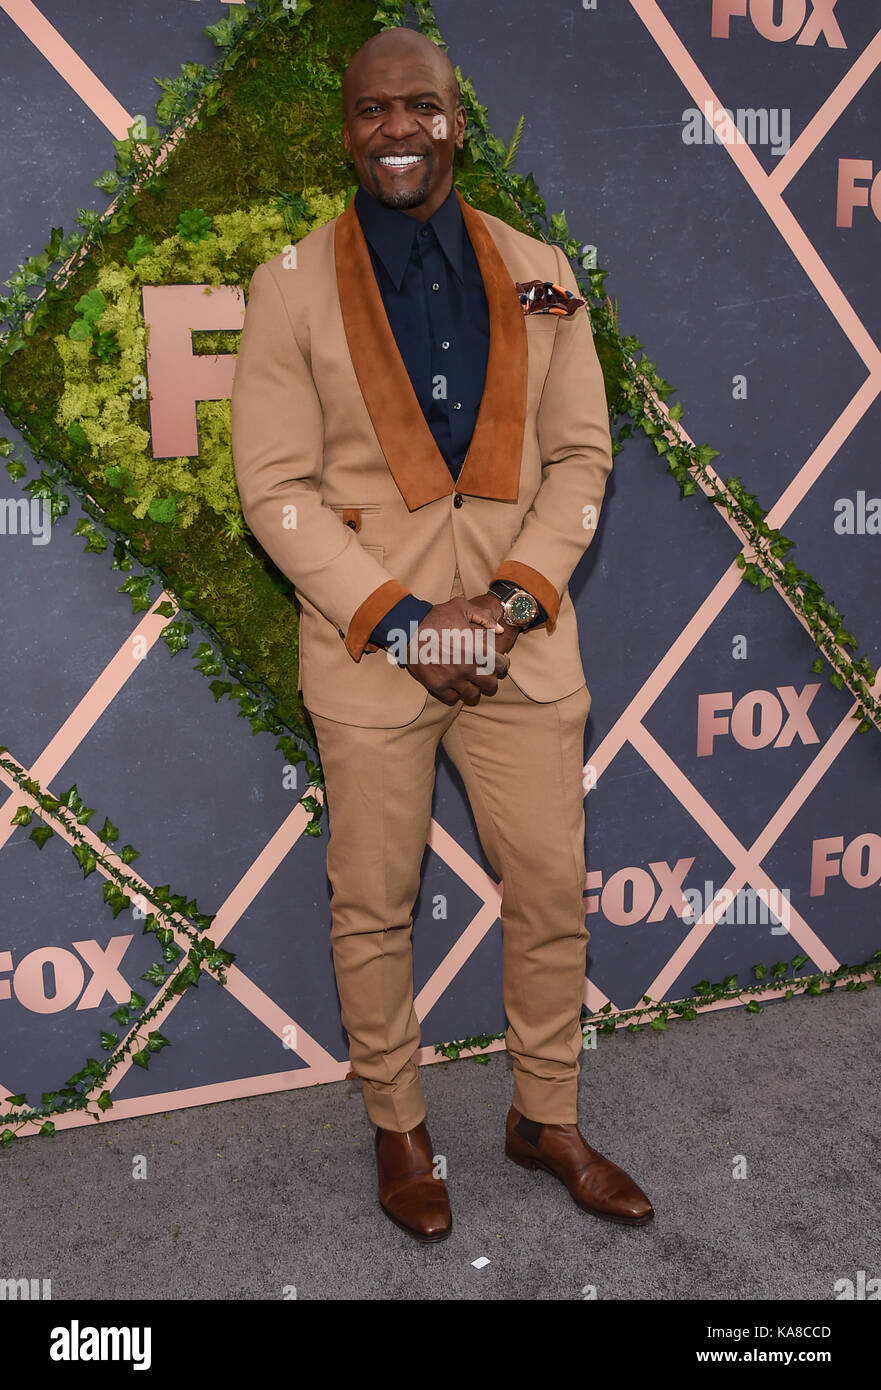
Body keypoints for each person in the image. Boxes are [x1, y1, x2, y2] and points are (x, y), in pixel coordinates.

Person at [231, 25, 653, 1242]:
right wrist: (410, 621)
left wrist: (509, 603)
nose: (397, 130)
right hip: (374, 650)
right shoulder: (290, 286)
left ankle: (544, 1116)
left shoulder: (539, 268)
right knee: (372, 899)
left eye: (419, 106)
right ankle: (400, 1127)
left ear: (455, 119)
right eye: (373, 111)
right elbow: (276, 489)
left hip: (522, 645)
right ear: (346, 128)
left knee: (550, 891)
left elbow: (579, 454)